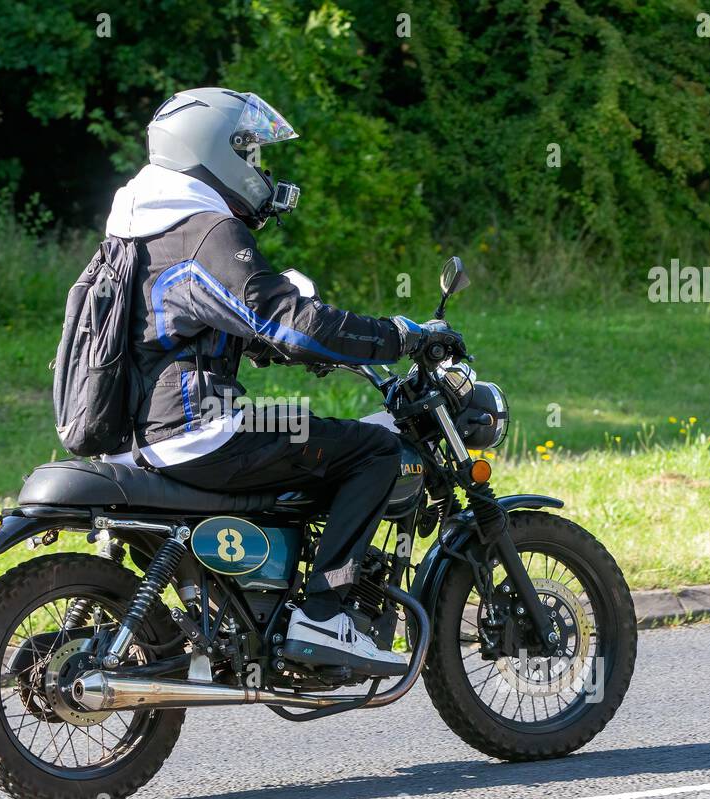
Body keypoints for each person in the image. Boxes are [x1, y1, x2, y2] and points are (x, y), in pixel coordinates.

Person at [101, 88, 463, 677]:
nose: (259, 169)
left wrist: (276, 345)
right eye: (249, 152)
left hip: (143, 432)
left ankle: (275, 599)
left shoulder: (144, 227)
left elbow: (199, 320)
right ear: (214, 150)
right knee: (373, 449)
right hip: (199, 431)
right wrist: (400, 335)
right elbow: (295, 323)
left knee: (297, 427)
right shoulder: (205, 231)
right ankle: (323, 615)